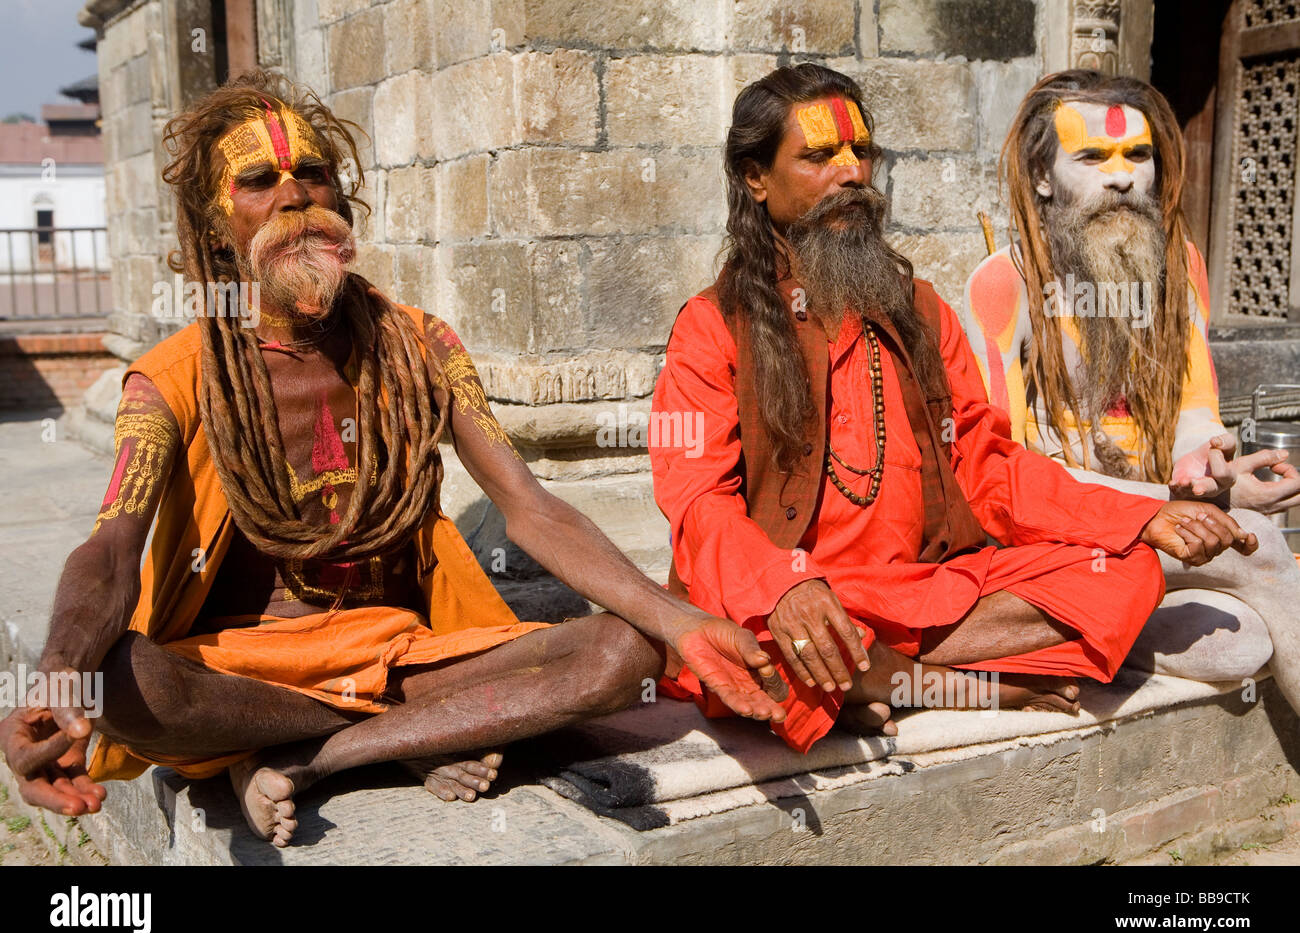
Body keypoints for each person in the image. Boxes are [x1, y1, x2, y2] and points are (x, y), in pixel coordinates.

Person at [0, 71, 785, 848]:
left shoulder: (421, 346)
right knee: (115, 683)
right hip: (240, 674)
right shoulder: (171, 379)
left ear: (340, 202)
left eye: (313, 176)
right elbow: (110, 549)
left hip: (401, 655)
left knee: (624, 650)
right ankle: (400, 737)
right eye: (259, 181)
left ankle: (313, 755)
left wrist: (684, 623)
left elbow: (531, 507)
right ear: (216, 227)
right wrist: (62, 670)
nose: (294, 196)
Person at [650, 63, 1257, 754]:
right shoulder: (711, 325)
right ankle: (943, 683)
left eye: (862, 152)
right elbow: (698, 500)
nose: (851, 174)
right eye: (819, 156)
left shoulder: (921, 310)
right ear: (756, 178)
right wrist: (782, 585)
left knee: (1124, 572)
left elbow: (988, 466)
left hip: (923, 592)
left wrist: (1142, 513)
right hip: (799, 596)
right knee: (742, 641)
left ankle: (878, 677)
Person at [961, 70, 1300, 708]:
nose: (1121, 177)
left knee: (1242, 646)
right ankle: (1057, 634)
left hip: (1166, 528)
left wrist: (1208, 467)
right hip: (1057, 543)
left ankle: (1079, 647)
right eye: (1092, 157)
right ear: (1043, 176)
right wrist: (1170, 508)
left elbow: (1196, 411)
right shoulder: (1004, 285)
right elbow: (1000, 472)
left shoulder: (1182, 268)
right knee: (1268, 546)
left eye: (1136, 155)